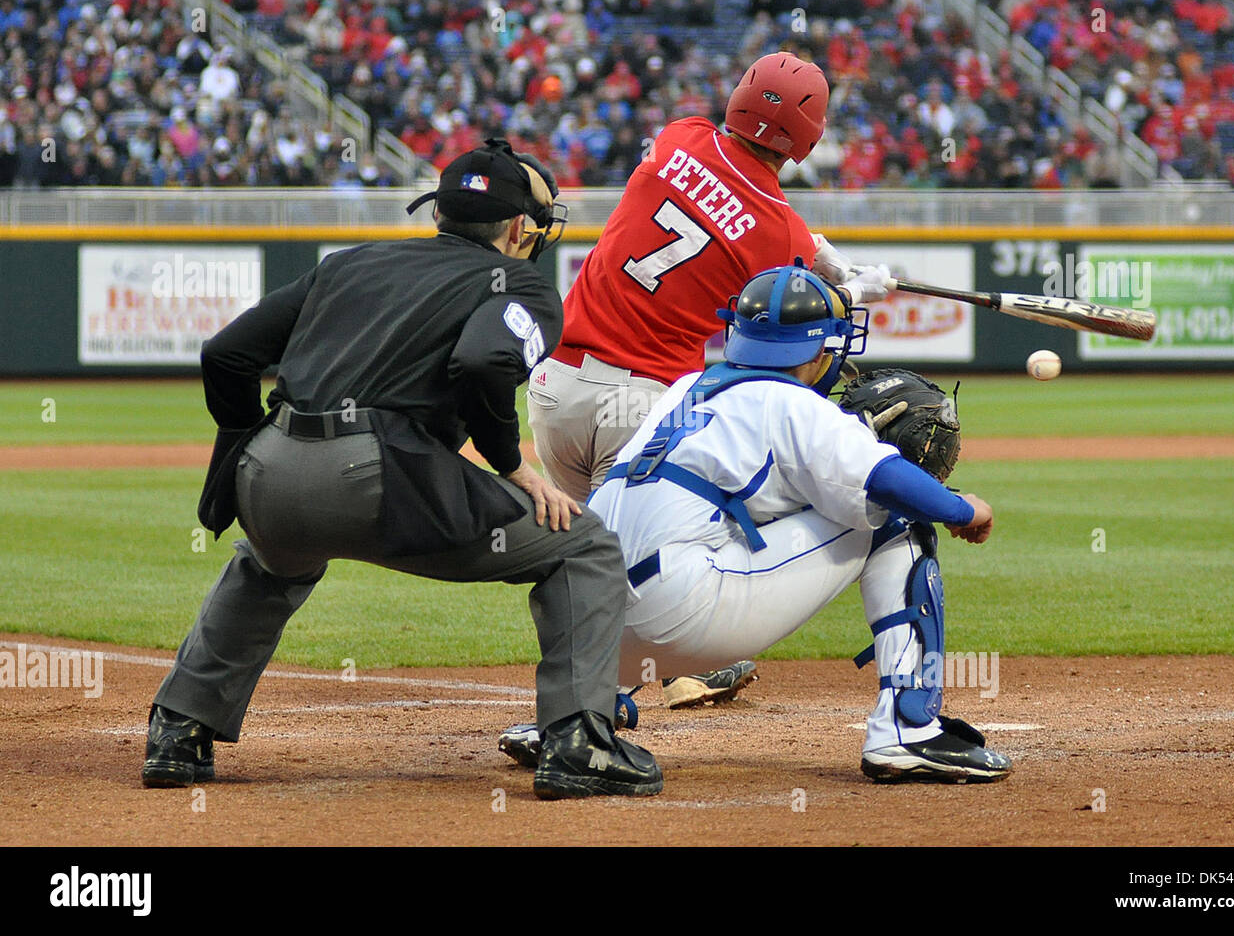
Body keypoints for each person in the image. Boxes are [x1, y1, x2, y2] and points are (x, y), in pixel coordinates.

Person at [142, 139, 662, 800]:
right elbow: (483, 362)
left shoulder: (350, 262)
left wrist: (245, 448)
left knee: (270, 564)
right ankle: (579, 741)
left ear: (441, 213)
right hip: (379, 474)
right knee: (583, 548)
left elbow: (227, 353)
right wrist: (513, 466)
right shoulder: (522, 282)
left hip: (271, 474)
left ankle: (179, 730)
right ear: (516, 229)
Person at [502, 263, 1012, 784]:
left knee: (706, 522)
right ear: (818, 350)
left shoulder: (683, 389)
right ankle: (908, 727)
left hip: (591, 629)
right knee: (899, 518)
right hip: (681, 613)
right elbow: (886, 479)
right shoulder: (787, 401)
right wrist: (965, 510)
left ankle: (577, 720)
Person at [528, 51, 892, 709]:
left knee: (590, 560)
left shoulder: (679, 136)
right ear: (808, 139)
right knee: (715, 521)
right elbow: (789, 281)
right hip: (639, 404)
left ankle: (640, 680)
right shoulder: (778, 233)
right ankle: (622, 690)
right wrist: (851, 283)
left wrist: (816, 251)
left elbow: (723, 195)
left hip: (555, 390)